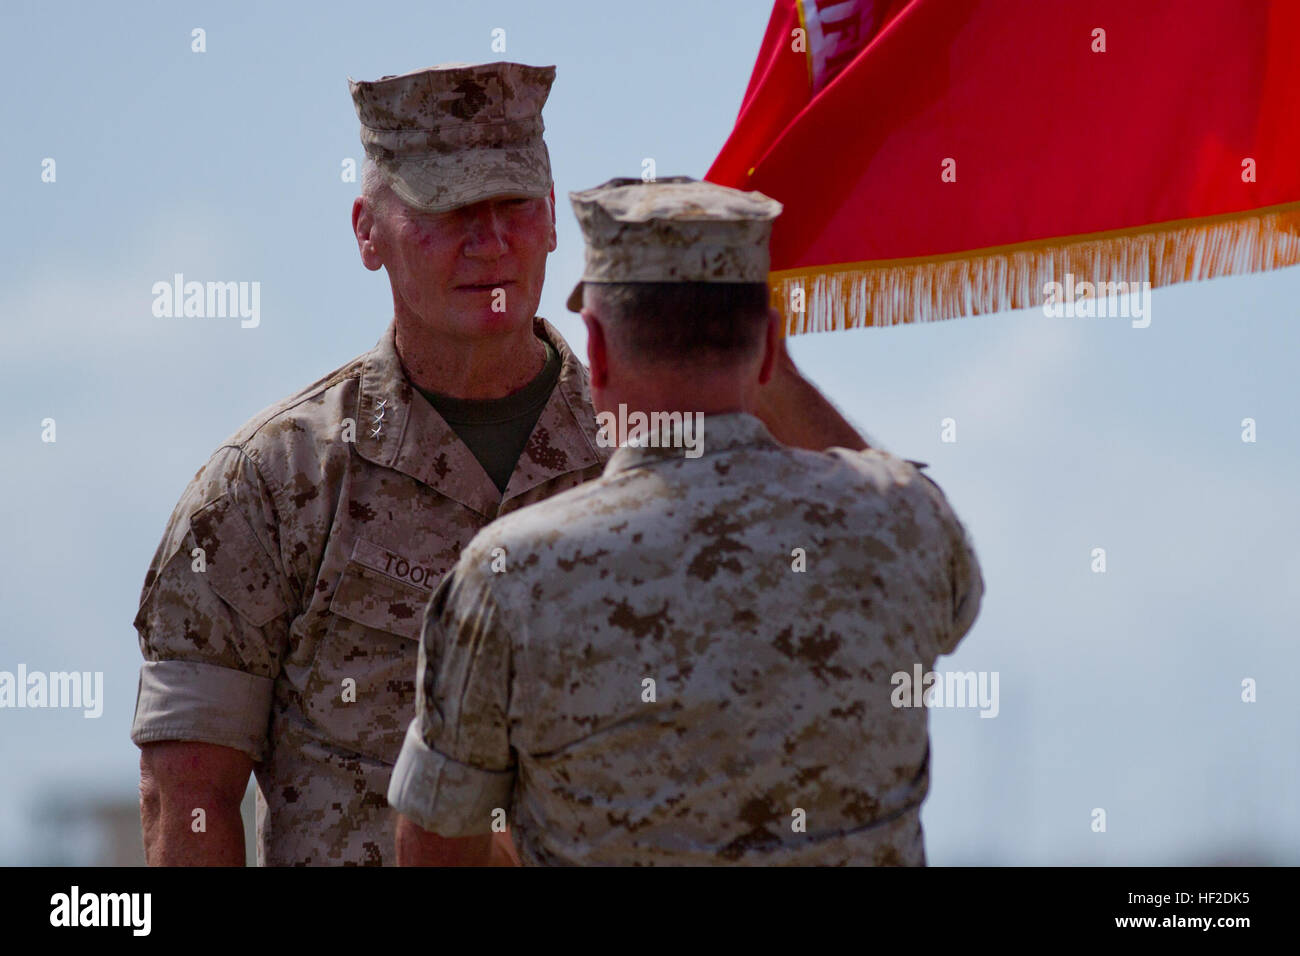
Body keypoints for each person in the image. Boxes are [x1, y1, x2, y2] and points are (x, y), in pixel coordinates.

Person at [387, 176, 986, 865]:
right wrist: (777, 374)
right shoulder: (905, 523)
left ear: (600, 354)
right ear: (765, 351)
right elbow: (941, 572)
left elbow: (438, 849)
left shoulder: (511, 574)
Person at [130, 62, 609, 866]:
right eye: (447, 208)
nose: (488, 240)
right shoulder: (272, 486)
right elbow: (191, 798)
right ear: (366, 231)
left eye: (514, 205)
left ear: (556, 217)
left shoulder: (641, 458)